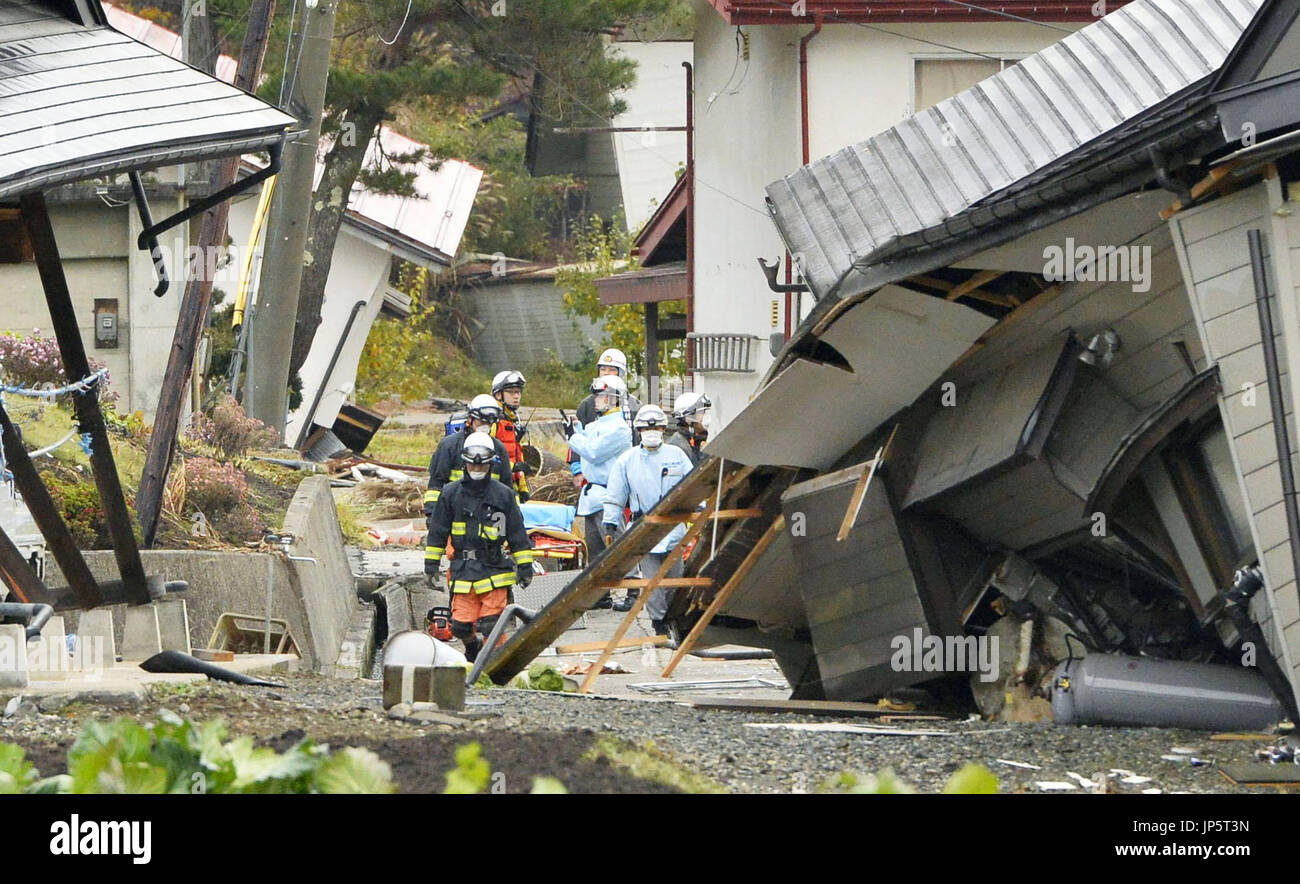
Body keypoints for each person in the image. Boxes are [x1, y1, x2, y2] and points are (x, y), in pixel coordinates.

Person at [424, 432, 534, 663]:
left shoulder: (503, 494)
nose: (476, 468)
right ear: (464, 462)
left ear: (490, 464)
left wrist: (524, 565)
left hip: (493, 566)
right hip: (464, 568)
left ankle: (495, 663)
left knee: (491, 624)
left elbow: (516, 531)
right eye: (472, 464)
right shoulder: (450, 493)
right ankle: (472, 647)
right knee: (461, 627)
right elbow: (438, 531)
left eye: (482, 465)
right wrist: (431, 564)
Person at [602, 405, 694, 631]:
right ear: (639, 431)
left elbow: (693, 485)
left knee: (675, 580)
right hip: (644, 528)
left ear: (663, 429)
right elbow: (615, 494)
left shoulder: (677, 456)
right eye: (645, 428)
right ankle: (659, 623)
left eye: (656, 428)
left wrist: (701, 510)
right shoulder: (627, 460)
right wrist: (610, 522)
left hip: (673, 526)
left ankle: (677, 620)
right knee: (653, 582)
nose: (651, 432)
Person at [565, 375, 633, 608]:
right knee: (595, 552)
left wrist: (573, 437)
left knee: (618, 547)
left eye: (602, 395)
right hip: (592, 496)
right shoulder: (599, 424)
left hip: (608, 496)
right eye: (597, 395)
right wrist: (576, 429)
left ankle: (633, 591)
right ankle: (600, 595)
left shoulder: (620, 429)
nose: (597, 400)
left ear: (614, 399)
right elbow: (587, 441)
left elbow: (593, 452)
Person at [567, 348, 642, 490]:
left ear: (622, 374)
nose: (606, 373)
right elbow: (582, 440)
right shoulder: (587, 405)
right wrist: (577, 469)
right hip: (597, 471)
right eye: (602, 369)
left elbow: (639, 439)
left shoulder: (636, 406)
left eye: (612, 370)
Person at [424, 393, 512, 513]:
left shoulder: (499, 449)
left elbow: (507, 488)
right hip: (454, 511)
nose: (485, 427)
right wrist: (432, 514)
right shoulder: (450, 445)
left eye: (489, 423)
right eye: (481, 421)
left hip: (488, 513)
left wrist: (513, 517)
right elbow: (436, 484)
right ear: (470, 419)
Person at [491, 369, 531, 502]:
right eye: (511, 392)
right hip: (494, 489)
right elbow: (487, 456)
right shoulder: (493, 419)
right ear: (498, 395)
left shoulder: (511, 419)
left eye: (518, 392)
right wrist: (513, 467)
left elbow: (516, 455)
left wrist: (523, 489)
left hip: (511, 489)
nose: (516, 396)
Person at [668, 391, 712, 467]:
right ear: (689, 418)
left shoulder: (696, 441)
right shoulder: (677, 446)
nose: (705, 416)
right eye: (702, 412)